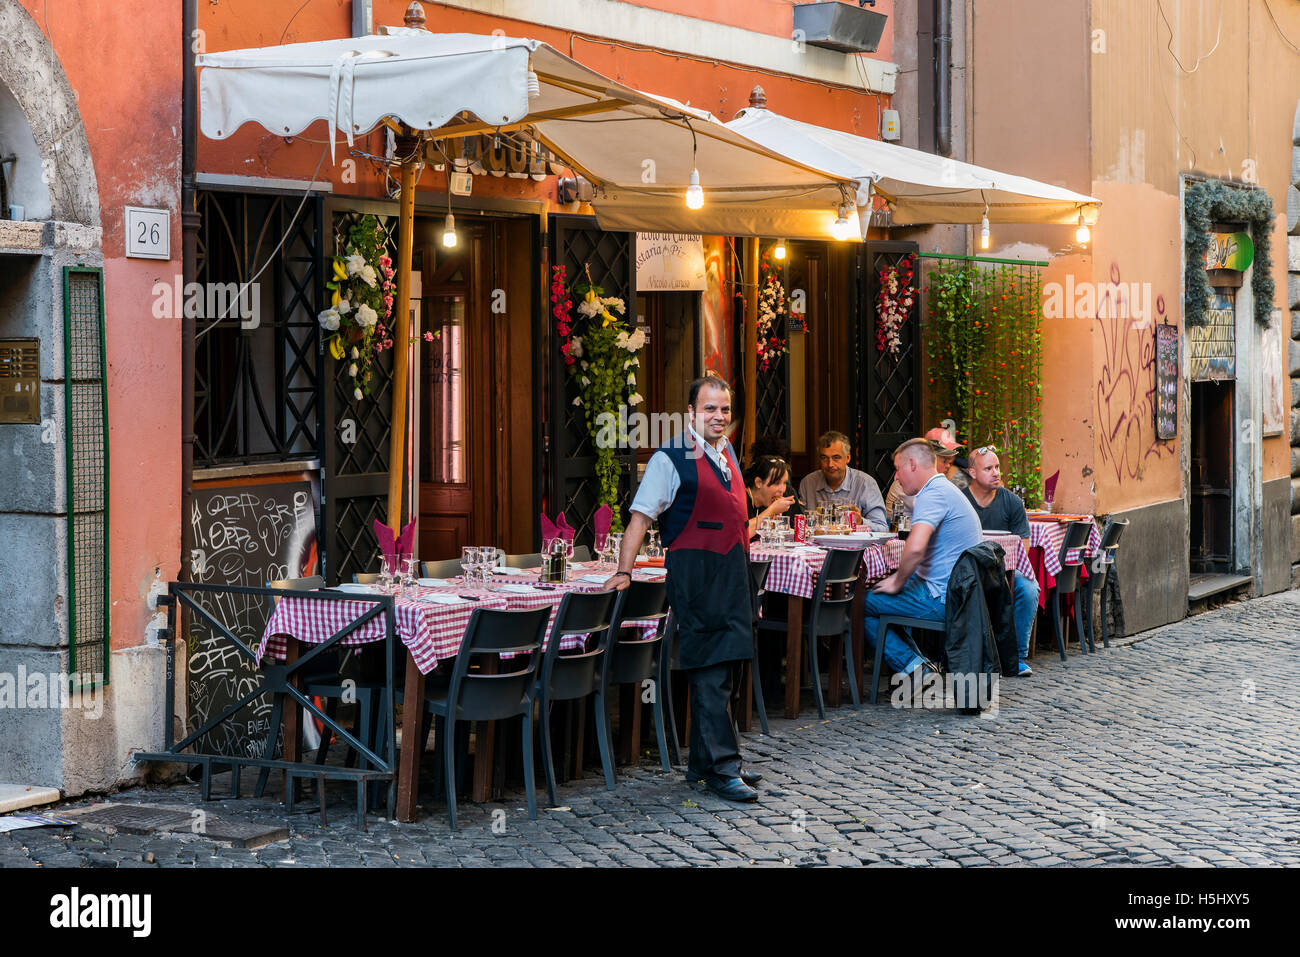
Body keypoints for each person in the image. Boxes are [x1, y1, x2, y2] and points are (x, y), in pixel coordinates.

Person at [604, 375, 760, 802]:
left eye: (725, 409)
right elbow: (640, 518)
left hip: (732, 576)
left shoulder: (727, 452)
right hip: (696, 578)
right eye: (710, 409)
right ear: (691, 412)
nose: (719, 416)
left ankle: (703, 765)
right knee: (710, 672)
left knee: (726, 670)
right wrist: (624, 570)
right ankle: (724, 770)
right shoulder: (669, 458)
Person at [865, 438, 983, 692]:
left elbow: (916, 547)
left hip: (942, 598)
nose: (896, 477)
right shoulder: (946, 489)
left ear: (912, 464)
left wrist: (897, 581)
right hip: (960, 595)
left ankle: (917, 670)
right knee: (886, 599)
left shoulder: (932, 494)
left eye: (898, 469)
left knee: (862, 604)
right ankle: (920, 667)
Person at [962, 445, 1040, 677]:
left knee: (1028, 588)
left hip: (1006, 571)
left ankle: (1015, 656)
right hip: (969, 571)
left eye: (997, 467)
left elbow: (1022, 546)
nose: (996, 472)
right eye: (988, 468)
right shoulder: (962, 501)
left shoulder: (1012, 502)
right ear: (973, 473)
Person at [797, 430, 888, 531]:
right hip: (815, 545)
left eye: (836, 458)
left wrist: (861, 521)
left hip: (854, 545)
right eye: (824, 458)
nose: (830, 464)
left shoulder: (865, 483)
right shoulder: (808, 483)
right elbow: (800, 526)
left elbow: (882, 528)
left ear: (848, 458)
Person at [884, 427, 965, 523]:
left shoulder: (940, 483)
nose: (949, 464)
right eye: (944, 460)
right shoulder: (909, 483)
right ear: (930, 457)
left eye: (950, 458)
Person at [744, 455, 799, 541]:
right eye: (776, 483)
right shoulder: (740, 499)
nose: (782, 490)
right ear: (758, 482)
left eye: (785, 483)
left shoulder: (767, 500)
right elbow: (740, 533)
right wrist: (772, 510)